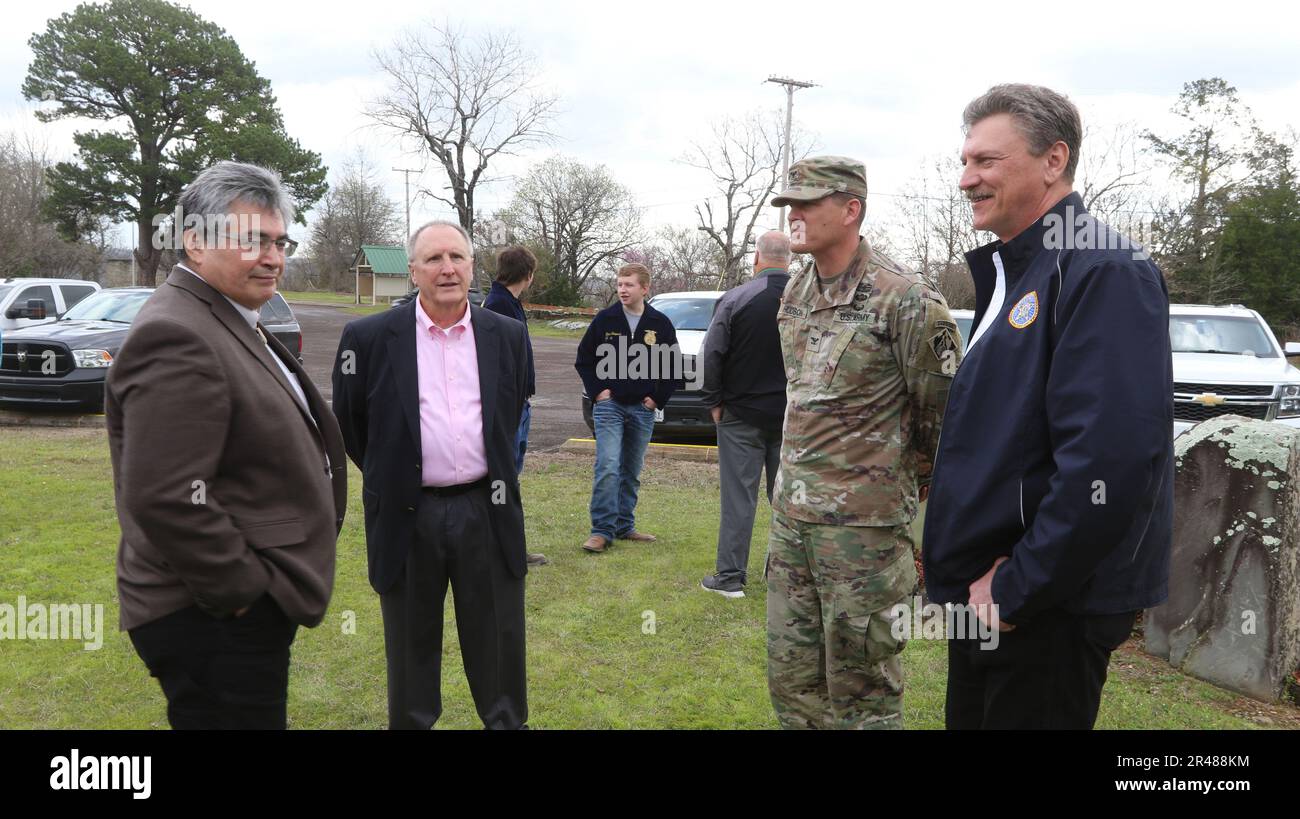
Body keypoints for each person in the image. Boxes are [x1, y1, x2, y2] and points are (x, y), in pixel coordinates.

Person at [922, 84, 1172, 730]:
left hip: (1044, 608)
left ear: (1054, 160)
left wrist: (1019, 585)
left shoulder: (1103, 269)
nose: (966, 179)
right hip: (989, 594)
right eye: (965, 161)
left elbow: (1109, 459)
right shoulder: (1020, 271)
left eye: (987, 161)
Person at [107, 161, 347, 730]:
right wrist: (244, 593)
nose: (273, 257)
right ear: (195, 241)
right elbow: (168, 495)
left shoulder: (224, 316)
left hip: (223, 611)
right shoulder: (179, 332)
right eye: (252, 241)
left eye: (280, 242)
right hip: (211, 615)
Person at [766, 156, 960, 729]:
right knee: (793, 682)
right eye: (790, 205)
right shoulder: (796, 288)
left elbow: (944, 414)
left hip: (863, 534)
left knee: (863, 692)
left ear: (851, 210)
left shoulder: (908, 299)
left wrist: (901, 483)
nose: (795, 215)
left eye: (808, 203)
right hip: (792, 520)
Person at [332, 220, 530, 730]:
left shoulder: (507, 335)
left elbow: (511, 413)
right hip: (406, 512)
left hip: (487, 509)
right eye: (434, 259)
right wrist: (397, 472)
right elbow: (351, 424)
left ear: (472, 266)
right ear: (413, 270)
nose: (448, 269)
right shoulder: (368, 338)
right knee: (411, 646)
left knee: (499, 641)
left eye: (457, 257)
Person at [698, 230, 792, 598]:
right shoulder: (805, 299)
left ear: (756, 258)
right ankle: (786, 577)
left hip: (741, 415)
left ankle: (730, 578)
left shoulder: (736, 298)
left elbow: (712, 353)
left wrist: (713, 401)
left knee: (739, 499)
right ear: (790, 259)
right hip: (793, 418)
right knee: (790, 500)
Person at [573, 263, 679, 553]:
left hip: (642, 410)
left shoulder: (660, 323)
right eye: (619, 284)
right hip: (610, 408)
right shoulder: (605, 319)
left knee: (631, 471)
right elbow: (584, 360)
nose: (622, 289)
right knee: (608, 466)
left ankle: (624, 526)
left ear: (644, 288)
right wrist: (599, 392)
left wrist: (656, 399)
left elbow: (673, 366)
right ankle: (601, 531)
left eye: (629, 284)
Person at [482, 245, 547, 567]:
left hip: (517, 405)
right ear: (528, 274)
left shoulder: (509, 302)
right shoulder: (498, 305)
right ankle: (503, 548)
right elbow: (498, 364)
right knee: (503, 479)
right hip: (505, 409)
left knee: (510, 478)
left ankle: (505, 545)